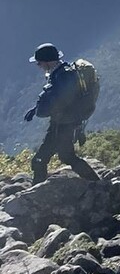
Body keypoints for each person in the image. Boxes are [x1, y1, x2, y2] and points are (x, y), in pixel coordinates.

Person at [23, 44, 100, 184]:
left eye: (39, 62)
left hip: (63, 125)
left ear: (47, 61)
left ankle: (37, 195)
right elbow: (61, 98)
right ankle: (97, 182)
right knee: (67, 156)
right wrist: (35, 109)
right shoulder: (63, 73)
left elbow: (57, 102)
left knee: (39, 160)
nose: (38, 65)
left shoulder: (62, 77)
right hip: (67, 123)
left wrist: (40, 109)